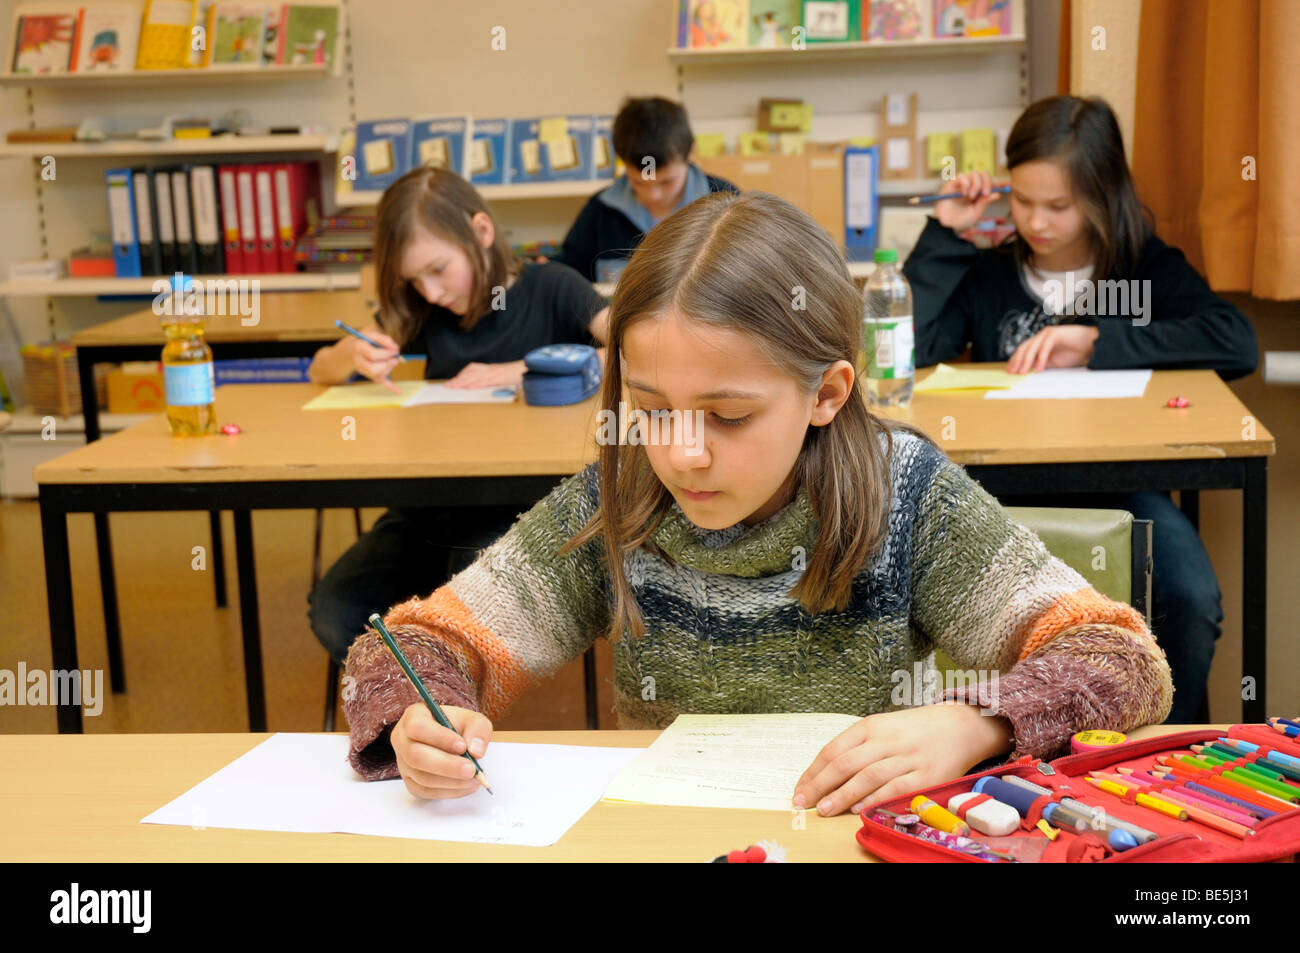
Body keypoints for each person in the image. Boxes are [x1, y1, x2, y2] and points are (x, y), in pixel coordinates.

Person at [341, 191, 1172, 817]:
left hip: (848, 834)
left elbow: (1119, 658)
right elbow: (411, 642)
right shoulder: (624, 495)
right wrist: (425, 709)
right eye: (652, 406)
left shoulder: (906, 496)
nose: (681, 451)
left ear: (827, 392)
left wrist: (977, 723)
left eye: (729, 415)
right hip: (675, 834)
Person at [903, 94, 1258, 722]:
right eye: (1023, 200)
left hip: (1125, 486)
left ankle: (1169, 753)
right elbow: (911, 351)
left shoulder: (1138, 270)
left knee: (1187, 597)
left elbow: (1234, 341)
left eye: (1058, 206)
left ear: (1100, 195)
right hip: (997, 495)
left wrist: (1100, 342)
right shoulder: (988, 274)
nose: (1036, 221)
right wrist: (944, 233)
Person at [306, 165, 609, 664]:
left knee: (464, 595)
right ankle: (420, 693)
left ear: (482, 232)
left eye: (438, 269)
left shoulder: (554, 288)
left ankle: (444, 695)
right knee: (338, 609)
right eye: (413, 279)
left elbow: (636, 349)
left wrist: (525, 370)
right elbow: (321, 369)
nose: (429, 292)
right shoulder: (422, 310)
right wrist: (352, 355)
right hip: (428, 505)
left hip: (521, 510)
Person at [550, 96, 738, 283]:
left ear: (690, 152)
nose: (653, 195)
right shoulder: (600, 211)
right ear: (622, 160)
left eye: (666, 182)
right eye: (639, 183)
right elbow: (568, 272)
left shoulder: (727, 201)